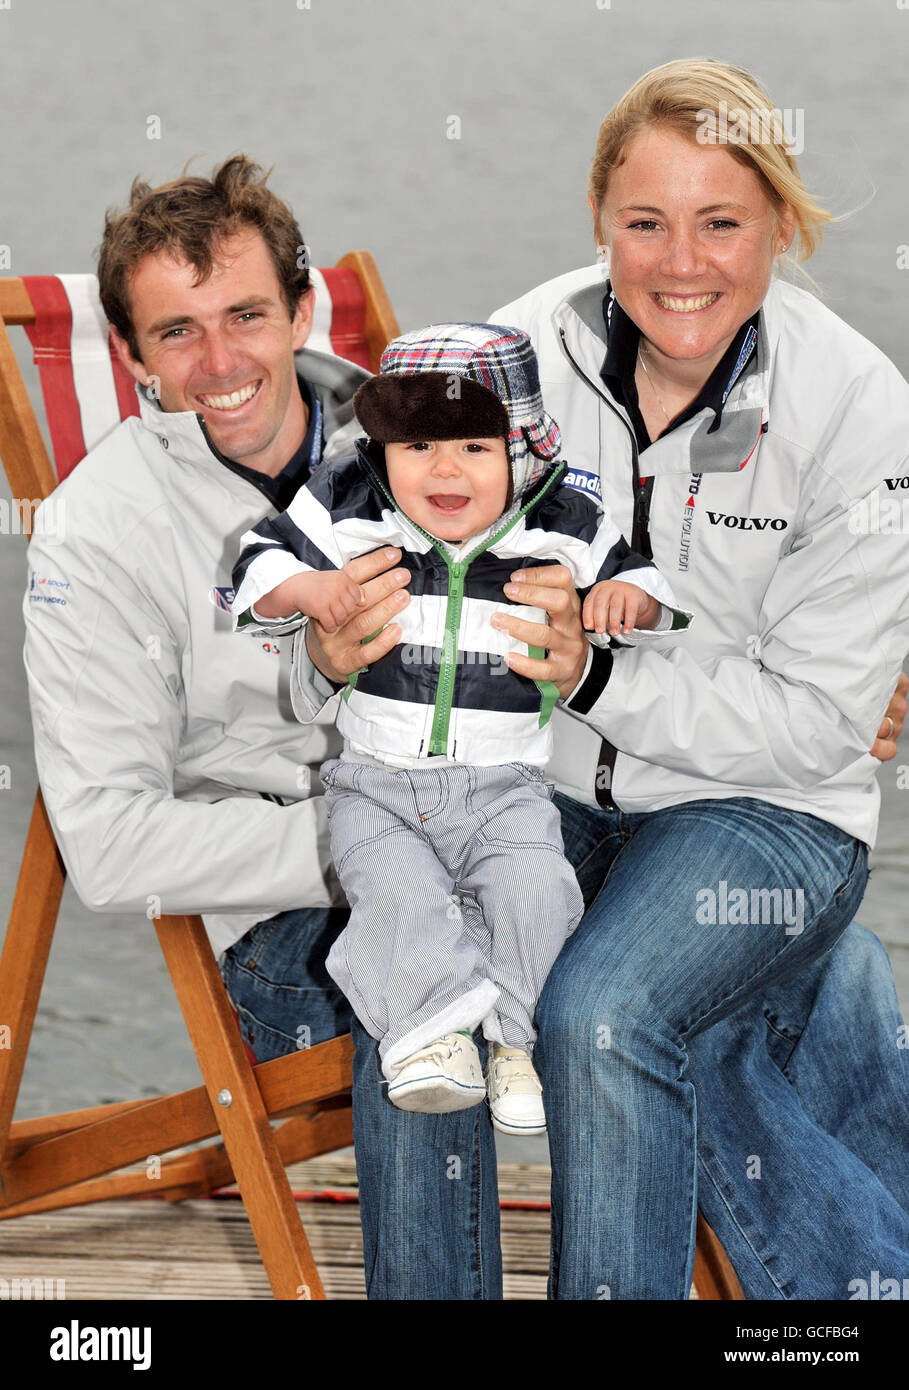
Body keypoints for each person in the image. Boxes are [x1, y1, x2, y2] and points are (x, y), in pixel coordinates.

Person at [21, 148, 907, 1302]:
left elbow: (612, 568)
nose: (222, 361)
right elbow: (111, 845)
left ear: (304, 308)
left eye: (246, 312)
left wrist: (842, 680)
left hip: (515, 813)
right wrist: (385, 833)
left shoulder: (424, 423)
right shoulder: (100, 541)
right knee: (554, 973)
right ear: (130, 356)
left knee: (799, 941)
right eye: (175, 332)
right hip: (303, 920)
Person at [294, 59, 909, 1299]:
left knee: (601, 1015)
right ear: (597, 219)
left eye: (722, 221)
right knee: (419, 999)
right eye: (645, 221)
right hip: (530, 787)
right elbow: (385, 544)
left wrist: (596, 678)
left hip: (766, 814)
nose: (682, 262)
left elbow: (823, 724)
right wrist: (325, 642)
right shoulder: (515, 354)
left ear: (781, 226)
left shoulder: (861, 410)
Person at [231, 321, 682, 1131]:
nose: (443, 469)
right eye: (417, 449)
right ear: (382, 449)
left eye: (474, 448)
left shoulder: (562, 520)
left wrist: (625, 604)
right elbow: (259, 560)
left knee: (536, 892)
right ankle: (431, 1034)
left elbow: (641, 582)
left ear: (523, 455)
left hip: (505, 785)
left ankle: (515, 1044)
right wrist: (305, 595)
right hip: (376, 782)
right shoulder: (351, 500)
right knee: (394, 893)